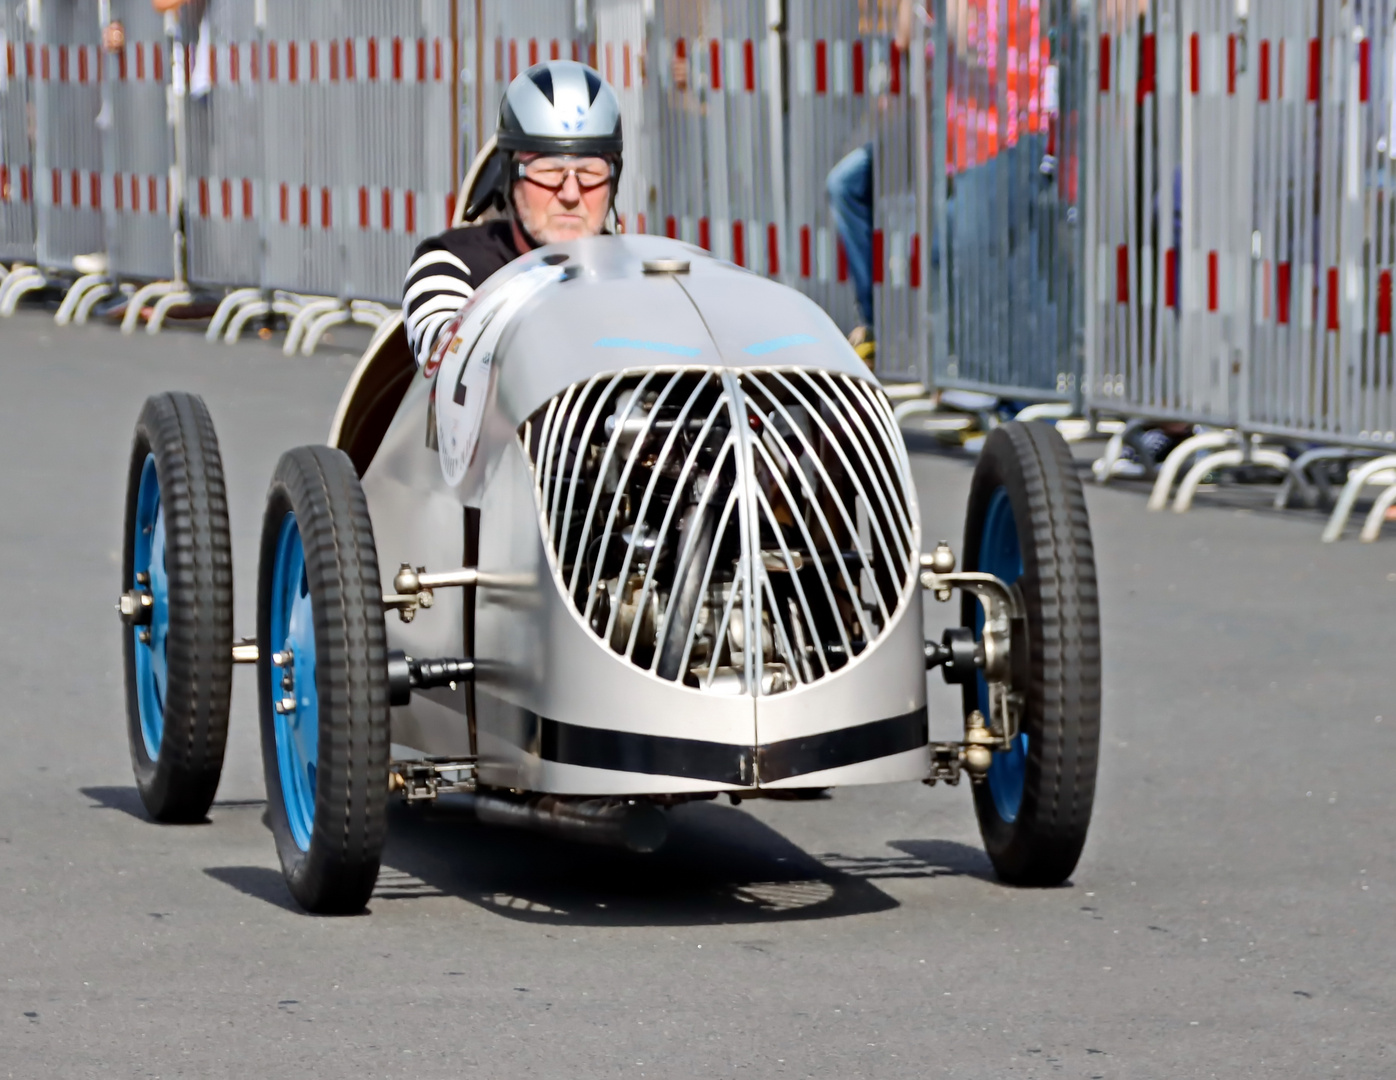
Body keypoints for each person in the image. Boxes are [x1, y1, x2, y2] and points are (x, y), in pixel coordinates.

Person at [402, 60, 624, 367]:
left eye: (590, 173)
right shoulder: (452, 265)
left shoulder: (633, 272)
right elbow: (448, 363)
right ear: (509, 177)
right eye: (549, 171)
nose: (571, 194)